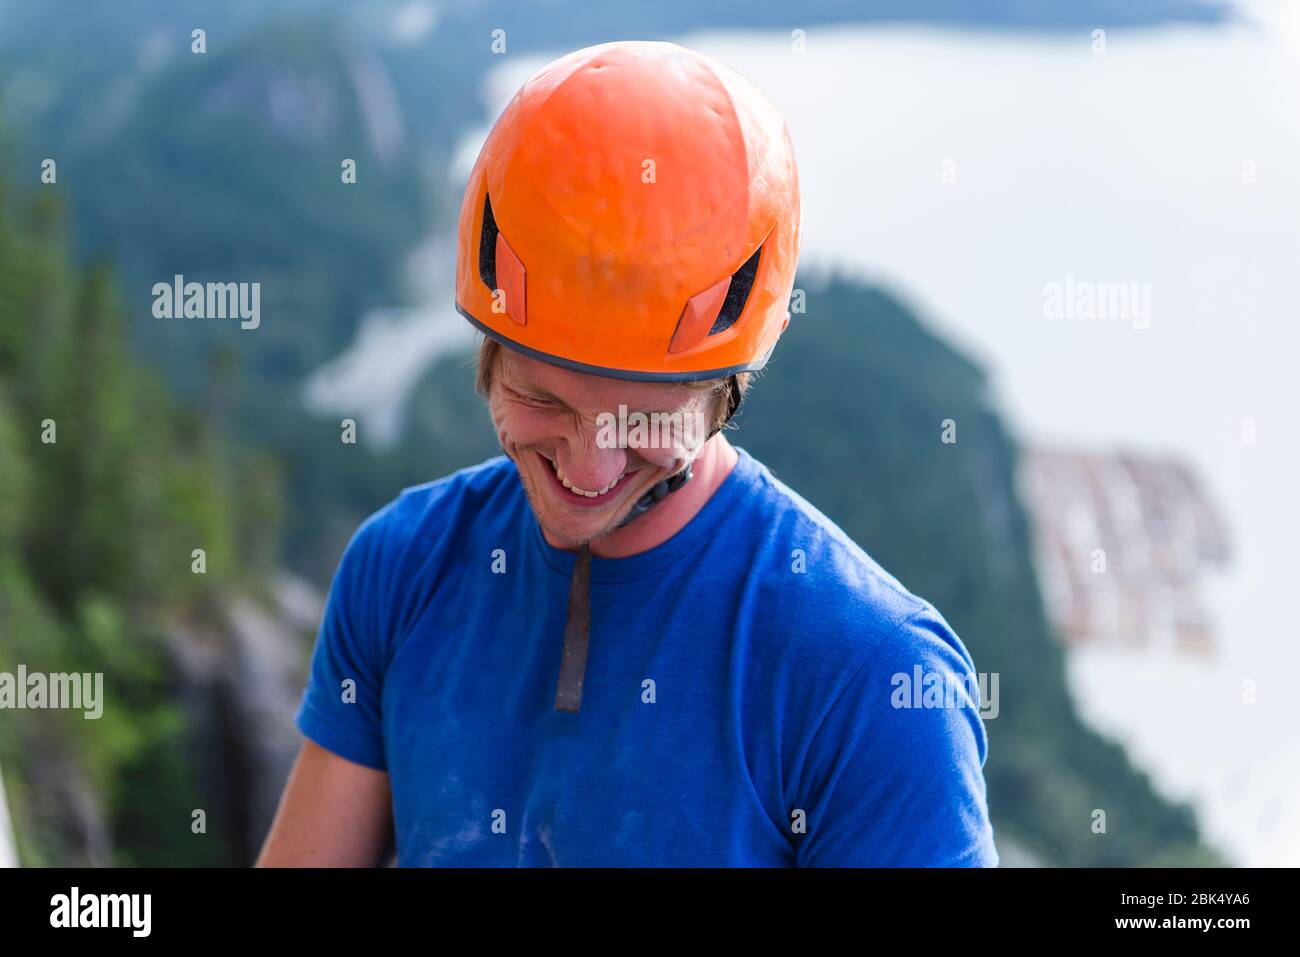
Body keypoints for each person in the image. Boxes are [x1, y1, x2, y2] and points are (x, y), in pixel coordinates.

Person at [257, 39, 998, 867]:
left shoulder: (873, 681)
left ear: (731, 389)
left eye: (647, 420)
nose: (588, 470)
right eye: (542, 401)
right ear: (486, 354)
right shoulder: (401, 566)